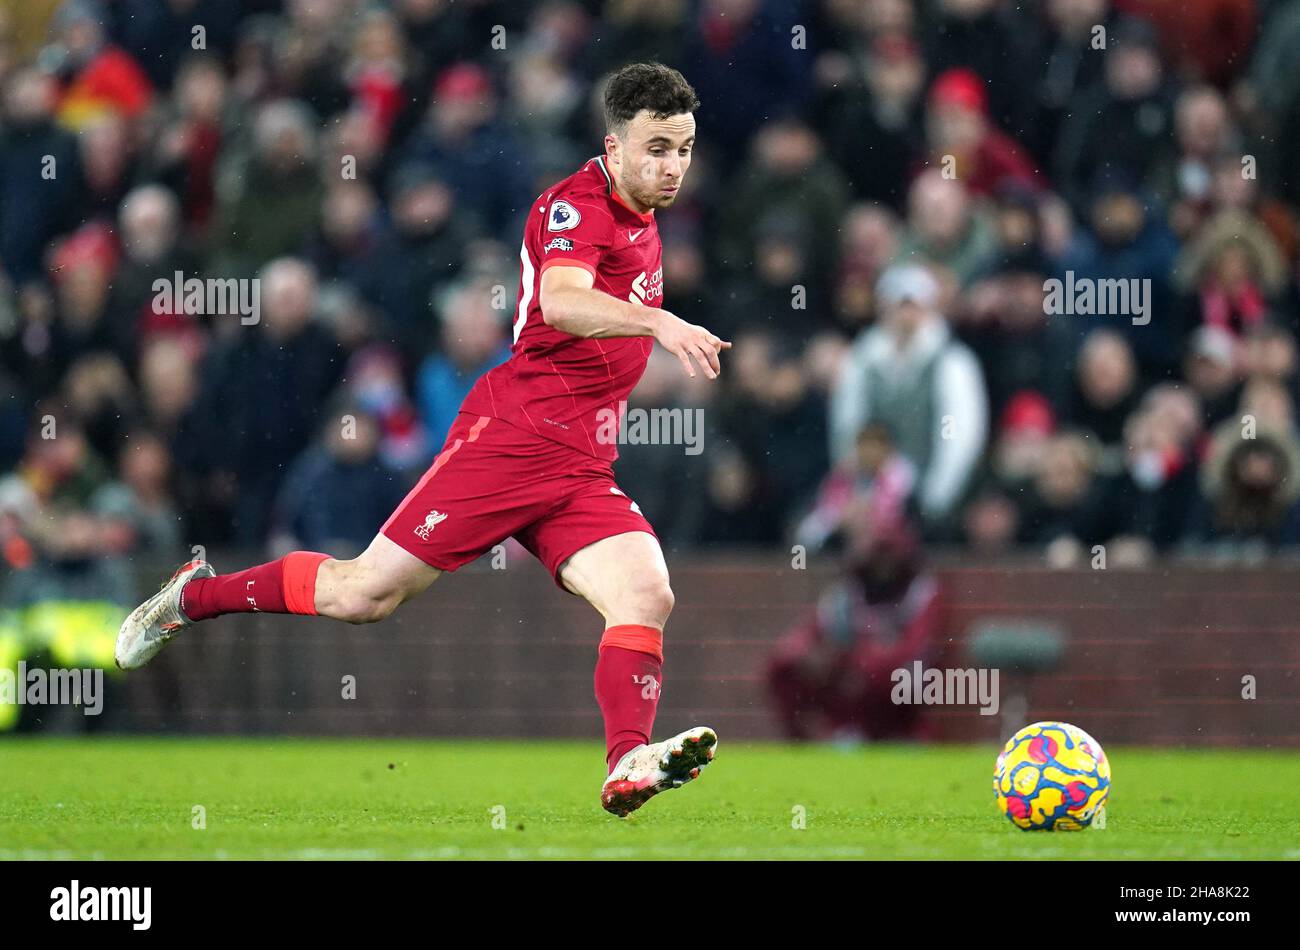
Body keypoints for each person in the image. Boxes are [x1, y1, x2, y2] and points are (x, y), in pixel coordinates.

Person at [114, 62, 728, 818]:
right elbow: (565, 302)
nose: (673, 167)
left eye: (685, 149)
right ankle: (191, 599)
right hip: (510, 441)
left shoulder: (645, 216)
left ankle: (625, 760)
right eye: (658, 148)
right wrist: (660, 321)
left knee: (646, 591)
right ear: (613, 145)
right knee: (362, 594)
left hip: (579, 464)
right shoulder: (574, 206)